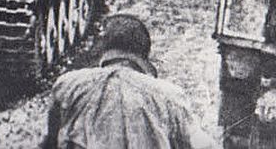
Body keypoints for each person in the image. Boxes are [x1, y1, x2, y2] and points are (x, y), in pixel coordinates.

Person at [42, 14, 213, 148]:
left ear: (103, 51)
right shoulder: (170, 97)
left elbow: (49, 143)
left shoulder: (67, 86)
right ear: (143, 56)